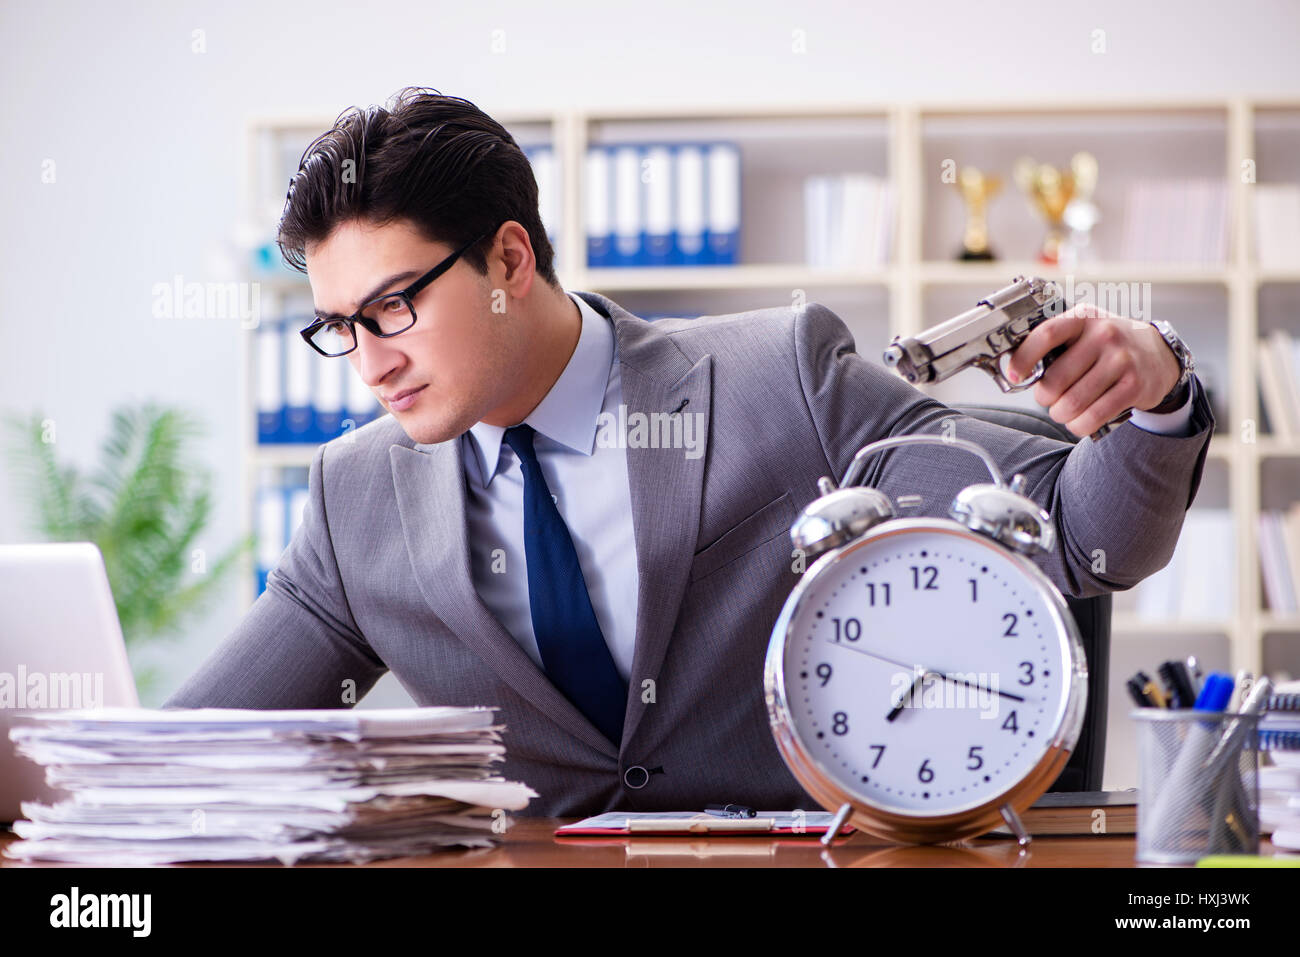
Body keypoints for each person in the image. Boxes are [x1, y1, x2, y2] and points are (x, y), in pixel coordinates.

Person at [165, 88, 1213, 816]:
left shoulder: (778, 379)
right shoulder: (355, 501)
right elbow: (182, 756)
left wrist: (1156, 385)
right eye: (337, 326)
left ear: (509, 258)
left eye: (392, 307)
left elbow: (1080, 539)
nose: (367, 363)